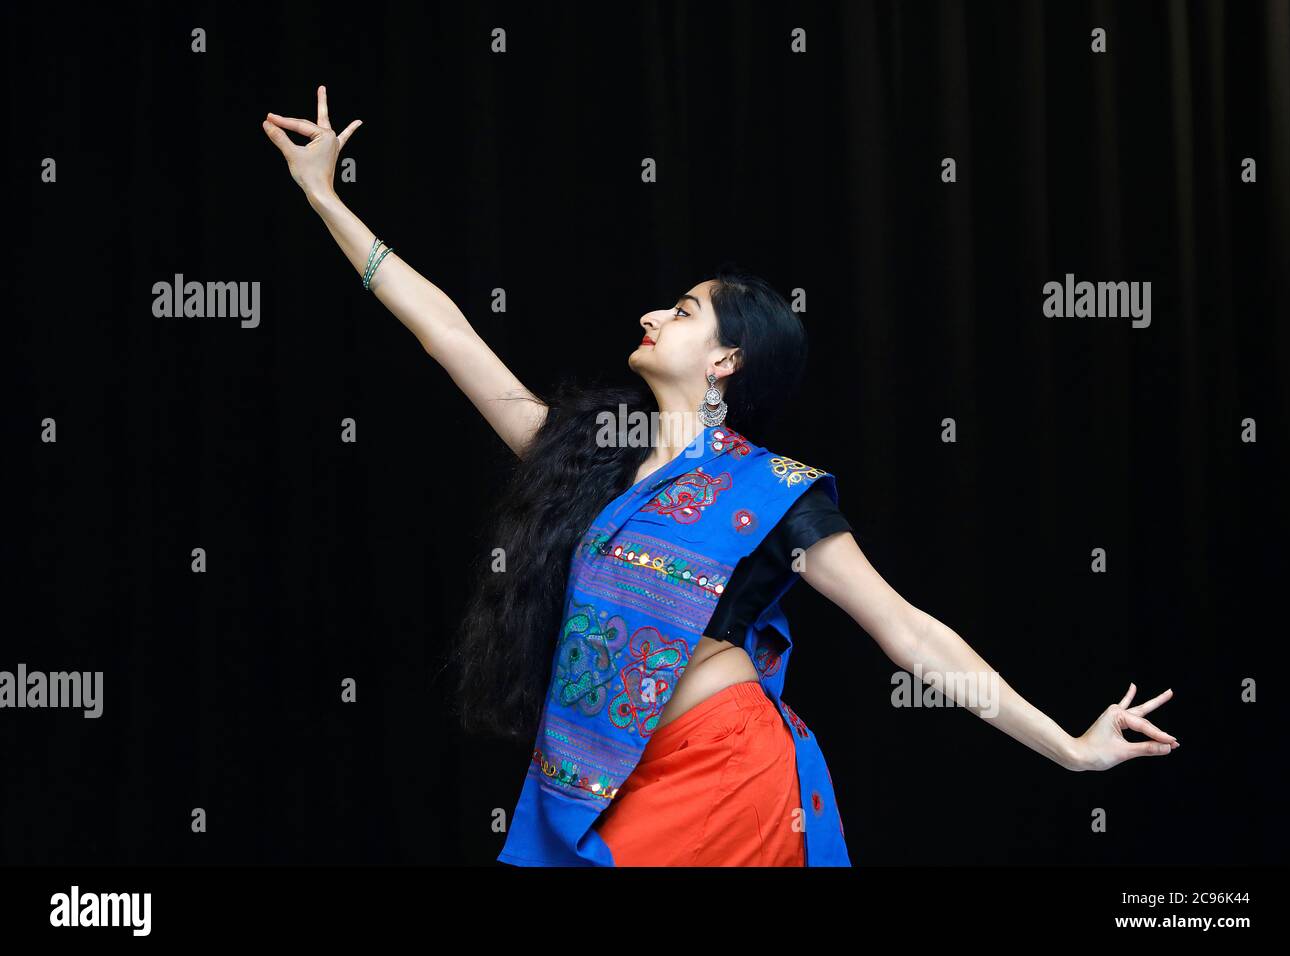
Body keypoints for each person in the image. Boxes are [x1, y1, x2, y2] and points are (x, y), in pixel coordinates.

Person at [261, 86, 1182, 867]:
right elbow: (449, 334)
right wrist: (326, 201)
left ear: (728, 362)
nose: (654, 313)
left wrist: (1069, 748)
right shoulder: (591, 458)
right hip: (594, 777)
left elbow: (909, 634)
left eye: (687, 309)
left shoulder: (776, 491)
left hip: (729, 772)